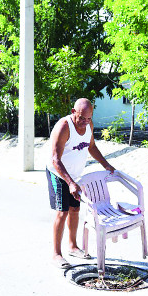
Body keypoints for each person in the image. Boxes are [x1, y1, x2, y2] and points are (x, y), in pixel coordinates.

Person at [47, 98, 115, 269]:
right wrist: (70, 182)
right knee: (62, 212)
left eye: (89, 118)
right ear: (73, 112)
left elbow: (91, 146)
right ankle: (56, 254)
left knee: (75, 209)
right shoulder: (64, 127)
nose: (85, 122)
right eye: (82, 118)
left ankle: (72, 246)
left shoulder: (88, 126)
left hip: (75, 176)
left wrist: (105, 164)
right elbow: (55, 159)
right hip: (58, 173)